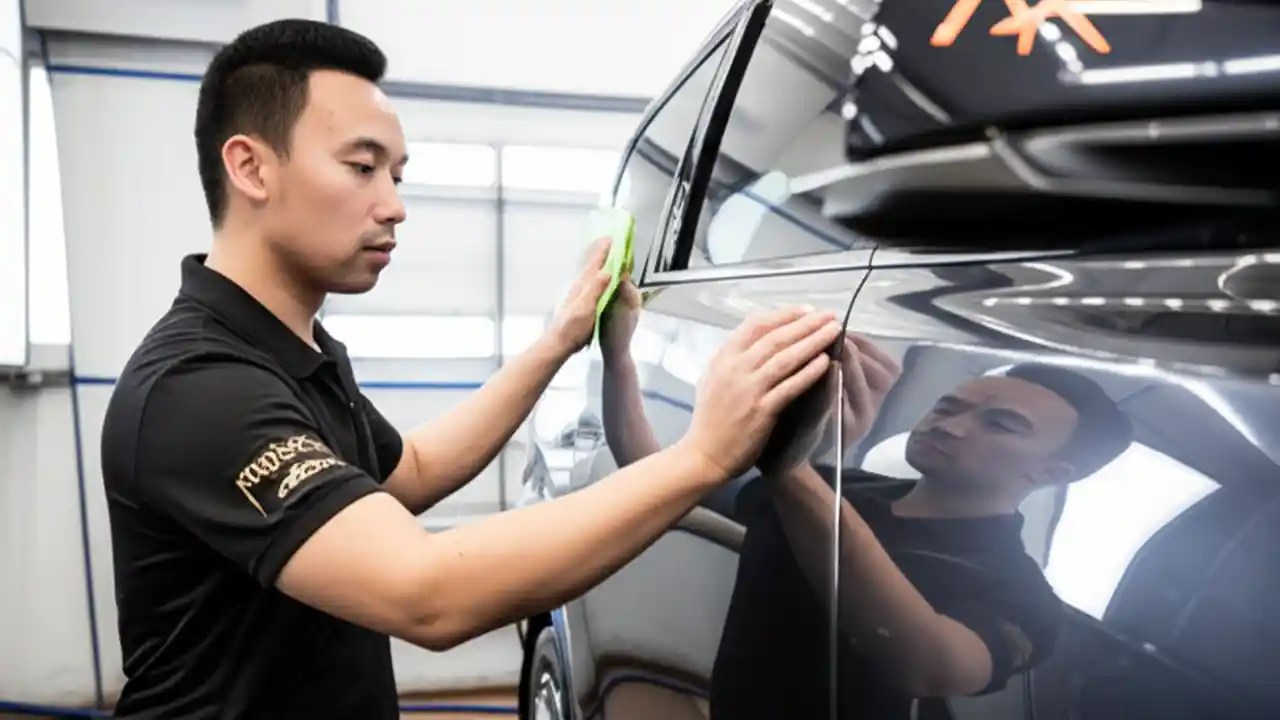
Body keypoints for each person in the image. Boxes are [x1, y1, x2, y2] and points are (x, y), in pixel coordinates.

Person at [98, 19, 842, 719]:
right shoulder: (201, 387)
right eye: (362, 168)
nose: (395, 206)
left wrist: (559, 341)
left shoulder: (295, 354)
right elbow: (429, 594)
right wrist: (702, 456)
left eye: (397, 175)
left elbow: (411, 471)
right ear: (251, 167)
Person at [711, 342, 1136, 719]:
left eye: (1001, 424)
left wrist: (792, 463)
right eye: (947, 408)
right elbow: (717, 495)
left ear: (1052, 472)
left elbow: (930, 666)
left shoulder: (1022, 593)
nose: (949, 426)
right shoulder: (837, 486)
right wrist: (810, 446)